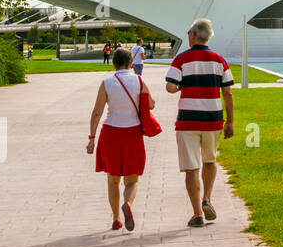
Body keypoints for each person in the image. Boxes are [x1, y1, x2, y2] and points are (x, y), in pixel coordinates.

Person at [165, 18, 235, 228]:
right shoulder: (219, 60)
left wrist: (181, 87)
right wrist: (230, 121)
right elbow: (228, 93)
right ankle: (207, 199)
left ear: (193, 35)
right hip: (213, 120)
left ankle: (197, 214)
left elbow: (170, 87)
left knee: (191, 168)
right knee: (210, 160)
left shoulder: (181, 59)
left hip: (188, 120)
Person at [87, 47, 152, 232]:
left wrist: (92, 138)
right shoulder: (139, 81)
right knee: (132, 180)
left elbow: (97, 112)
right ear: (131, 63)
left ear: (114, 63)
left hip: (111, 133)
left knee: (113, 180)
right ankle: (128, 204)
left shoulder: (107, 82)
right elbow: (151, 103)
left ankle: (116, 219)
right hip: (132, 133)